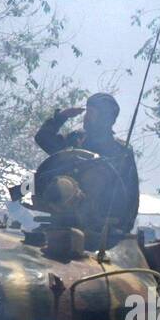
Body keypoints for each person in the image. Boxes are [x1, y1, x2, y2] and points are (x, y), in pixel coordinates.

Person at [35, 92, 139, 231]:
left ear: (104, 118)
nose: (86, 117)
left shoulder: (120, 152)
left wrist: (123, 228)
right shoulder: (76, 140)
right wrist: (61, 117)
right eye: (87, 112)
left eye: (91, 113)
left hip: (98, 226)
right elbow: (43, 138)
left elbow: (131, 194)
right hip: (63, 219)